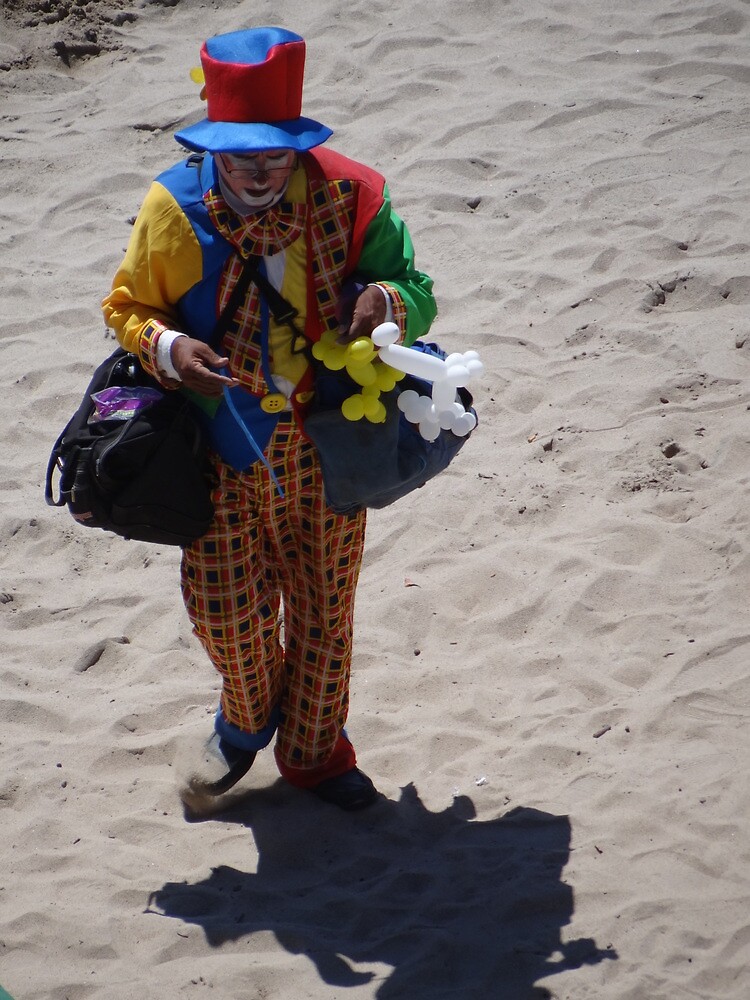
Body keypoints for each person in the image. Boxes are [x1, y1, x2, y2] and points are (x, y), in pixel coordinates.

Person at [102, 26, 437, 811]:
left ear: (297, 143)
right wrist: (171, 346)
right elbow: (127, 308)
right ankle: (246, 721)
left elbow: (416, 286)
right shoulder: (173, 210)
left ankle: (316, 755)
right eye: (240, 152)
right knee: (226, 614)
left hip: (332, 445)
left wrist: (387, 303)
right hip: (222, 448)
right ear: (212, 144)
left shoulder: (357, 195)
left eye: (274, 152)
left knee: (326, 612)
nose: (258, 169)